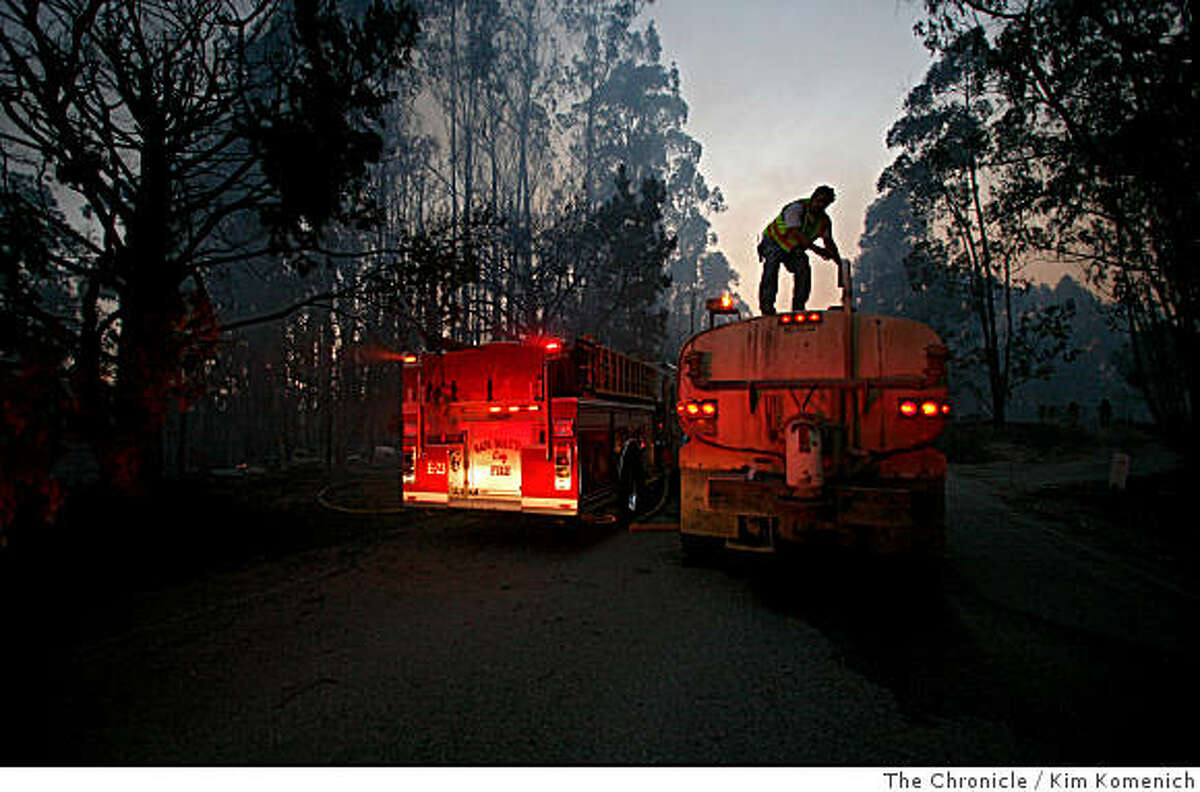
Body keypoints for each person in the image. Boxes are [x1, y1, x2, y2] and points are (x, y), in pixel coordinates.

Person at [757, 184, 841, 315]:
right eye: (819, 201)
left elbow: (829, 242)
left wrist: (839, 262)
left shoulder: (824, 221)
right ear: (813, 198)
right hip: (773, 241)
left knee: (803, 268)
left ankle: (798, 307)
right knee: (772, 265)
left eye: (825, 204)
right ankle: (767, 306)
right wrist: (818, 250)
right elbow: (796, 233)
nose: (820, 205)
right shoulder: (796, 209)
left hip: (793, 249)